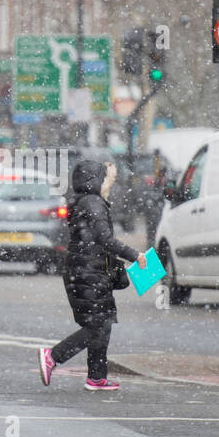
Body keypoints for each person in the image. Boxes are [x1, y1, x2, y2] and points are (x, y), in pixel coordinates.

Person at [38, 159, 145, 391]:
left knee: (102, 324)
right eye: (108, 179)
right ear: (95, 180)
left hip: (88, 270)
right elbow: (104, 239)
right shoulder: (93, 202)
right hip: (88, 273)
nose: (110, 184)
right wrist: (135, 255)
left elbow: (96, 242)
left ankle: (97, 377)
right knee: (97, 326)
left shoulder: (88, 201)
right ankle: (52, 356)